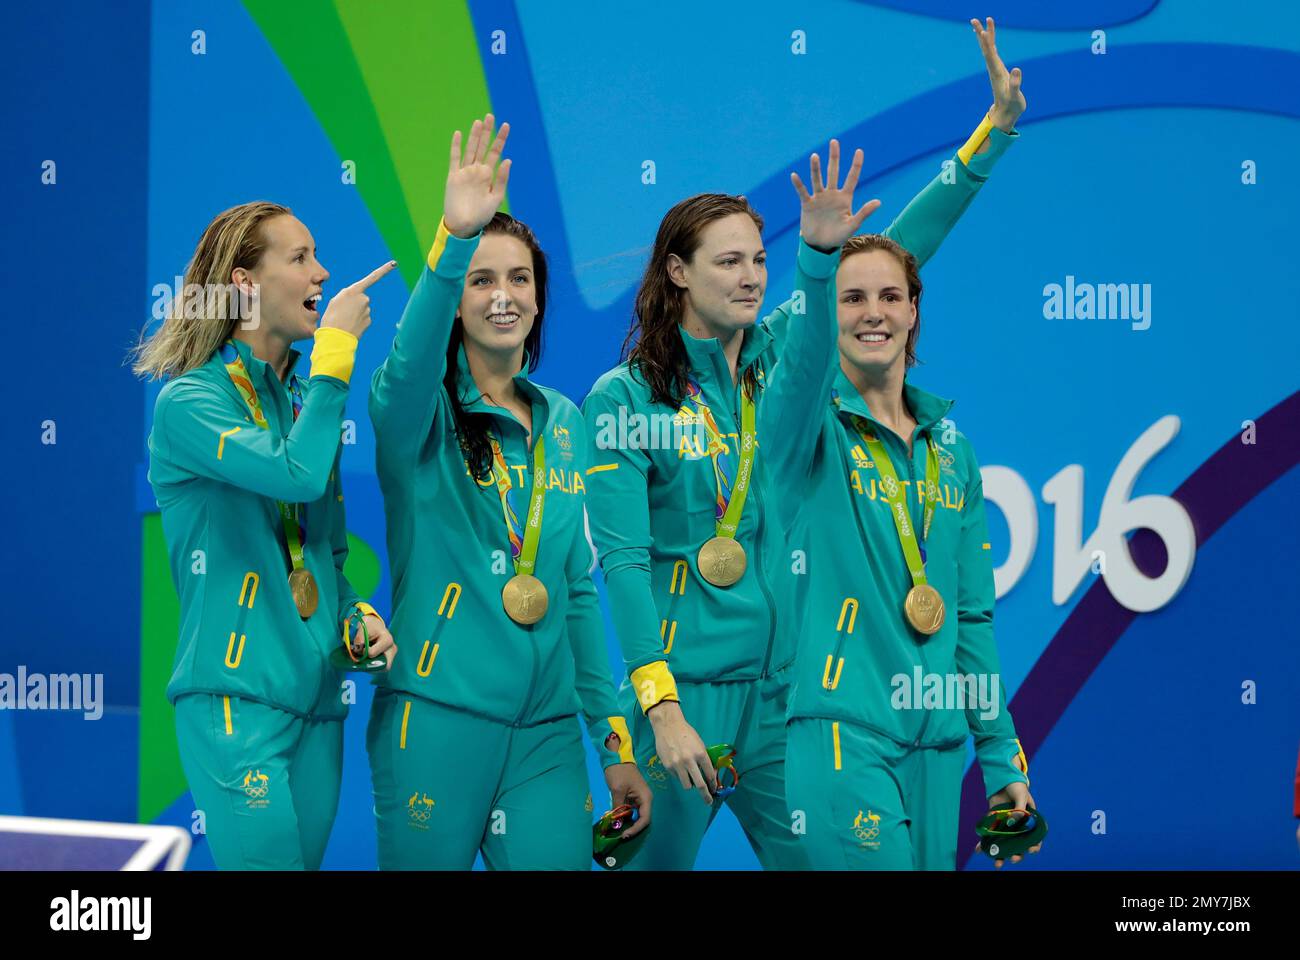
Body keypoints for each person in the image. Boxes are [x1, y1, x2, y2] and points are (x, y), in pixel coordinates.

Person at [581, 15, 1026, 871]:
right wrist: (660, 708)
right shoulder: (624, 400)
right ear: (677, 272)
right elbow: (625, 567)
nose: (752, 277)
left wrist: (989, 139)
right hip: (686, 697)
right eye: (728, 263)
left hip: (788, 699)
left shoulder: (791, 354)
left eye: (759, 260)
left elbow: (896, 256)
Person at [774, 18, 1042, 870]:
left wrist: (1000, 758)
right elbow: (808, 345)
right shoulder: (800, 429)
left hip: (938, 750)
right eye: (852, 300)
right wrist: (818, 263)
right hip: (842, 738)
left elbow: (969, 619)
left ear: (915, 311)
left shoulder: (950, 448)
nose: (873, 313)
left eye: (891, 296)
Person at [366, 114, 650, 870]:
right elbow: (406, 364)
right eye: (480, 280)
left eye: (518, 278)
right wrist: (451, 244)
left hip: (548, 738)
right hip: (436, 721)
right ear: (456, 301)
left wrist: (614, 742)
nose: (502, 295)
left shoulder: (567, 421)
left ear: (538, 296)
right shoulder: (414, 414)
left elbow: (574, 594)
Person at [135, 201, 397, 869]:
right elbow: (297, 475)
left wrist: (354, 616)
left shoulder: (307, 404)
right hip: (233, 702)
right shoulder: (189, 404)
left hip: (315, 706)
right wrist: (337, 351)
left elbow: (326, 555)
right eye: (301, 258)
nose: (323, 273)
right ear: (246, 283)